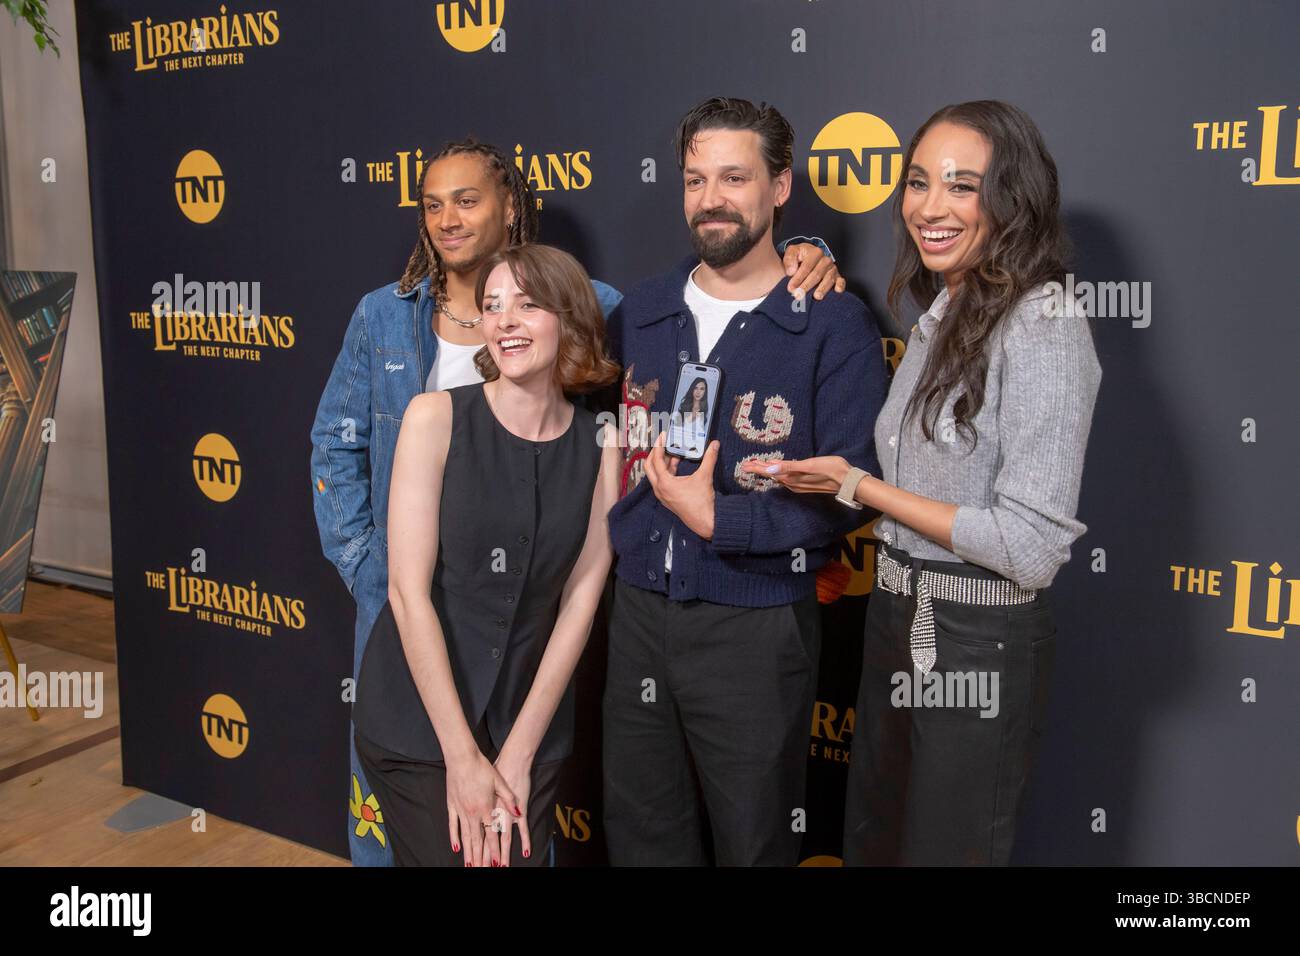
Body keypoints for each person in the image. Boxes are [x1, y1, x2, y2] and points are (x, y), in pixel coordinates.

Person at [308, 137, 844, 865]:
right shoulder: (386, 320)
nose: (447, 219)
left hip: (528, 672)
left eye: (466, 200)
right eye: (432, 205)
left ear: (510, 209)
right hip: (413, 643)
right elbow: (336, 449)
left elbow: (703, 287)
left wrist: (801, 253)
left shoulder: (601, 343)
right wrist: (375, 570)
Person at [744, 101, 1103, 865]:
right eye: (917, 181)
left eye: (961, 185)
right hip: (896, 619)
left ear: (1011, 198)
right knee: (874, 843)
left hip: (978, 645)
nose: (929, 207)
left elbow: (1029, 547)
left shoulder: (1046, 323)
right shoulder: (947, 305)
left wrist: (859, 490)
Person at [600, 96, 888, 866]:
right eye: (696, 179)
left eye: (734, 177)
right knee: (642, 835)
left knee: (756, 839)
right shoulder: (643, 310)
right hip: (637, 618)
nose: (711, 199)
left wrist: (719, 521)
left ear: (780, 187)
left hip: (755, 625)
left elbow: (853, 486)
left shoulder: (833, 323)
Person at [352, 243, 621, 867]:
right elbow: (406, 593)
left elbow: (580, 601)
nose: (504, 321)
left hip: (529, 726)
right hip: (419, 727)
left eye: (527, 305)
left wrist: (521, 753)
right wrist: (463, 759)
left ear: (570, 320)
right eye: (493, 306)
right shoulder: (434, 418)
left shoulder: (602, 446)